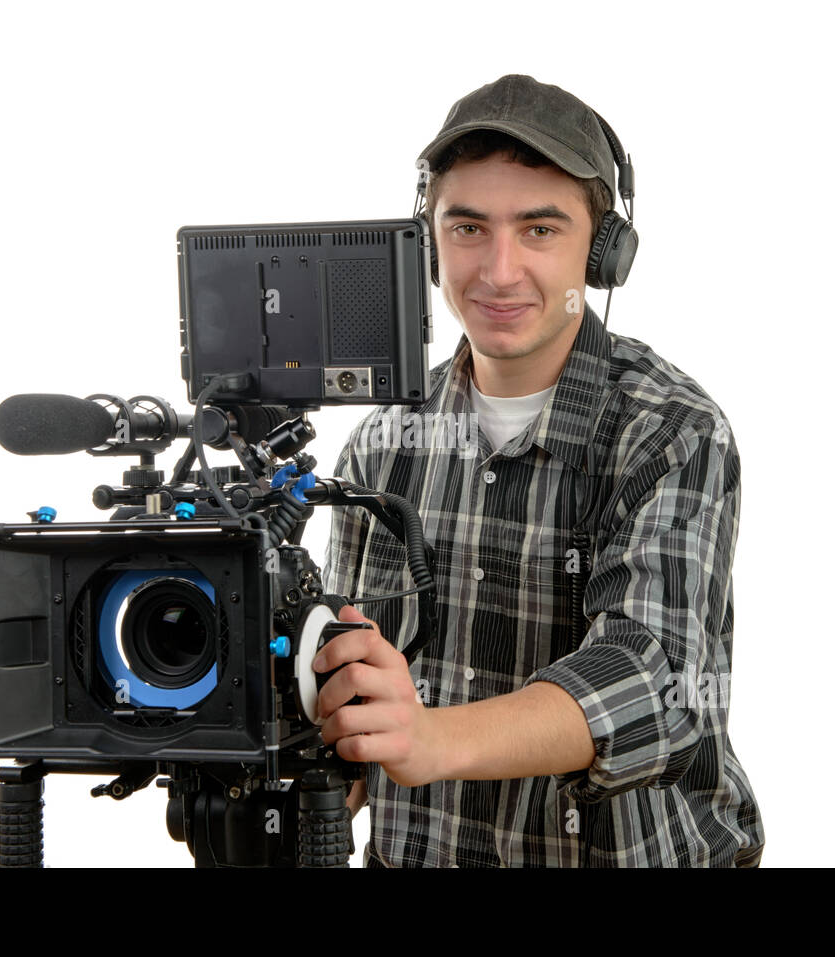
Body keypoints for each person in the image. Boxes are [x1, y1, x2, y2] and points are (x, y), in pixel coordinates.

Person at [317, 74, 765, 867]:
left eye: (539, 230)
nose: (497, 270)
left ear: (601, 253)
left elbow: (651, 680)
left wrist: (429, 736)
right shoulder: (381, 444)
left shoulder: (672, 432)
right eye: (467, 228)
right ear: (428, 242)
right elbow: (350, 694)